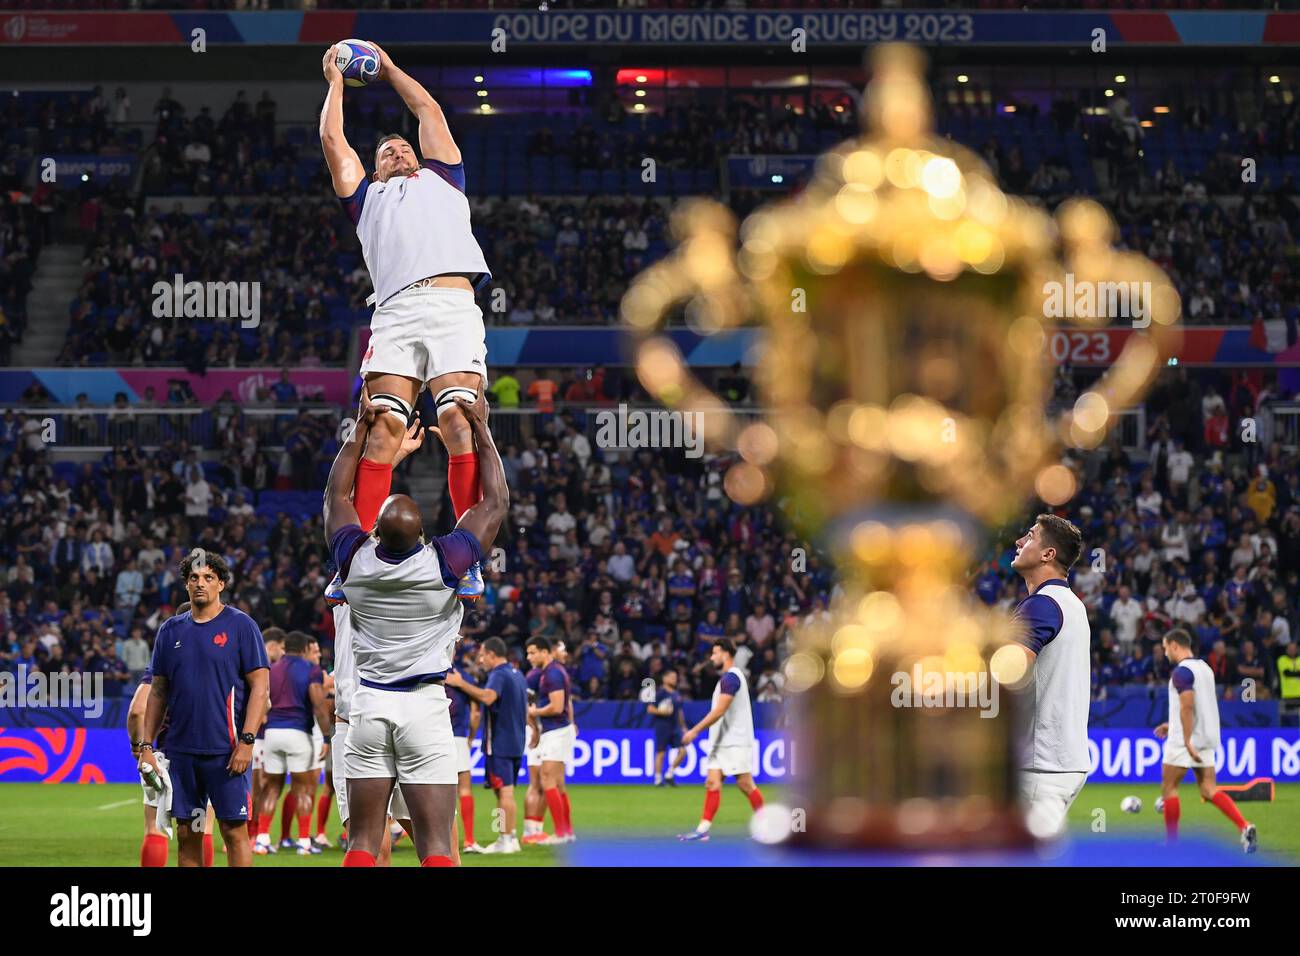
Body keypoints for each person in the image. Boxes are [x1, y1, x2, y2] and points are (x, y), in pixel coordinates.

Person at [320, 40, 492, 602]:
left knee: (461, 422)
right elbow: (331, 141)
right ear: (375, 167)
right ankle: (356, 563)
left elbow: (427, 112)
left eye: (400, 147)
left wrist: (387, 67)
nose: (395, 151)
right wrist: (336, 82)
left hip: (450, 305)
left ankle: (466, 559)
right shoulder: (366, 198)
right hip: (393, 312)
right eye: (385, 151)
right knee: (381, 430)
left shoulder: (444, 179)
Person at [324, 384, 506, 867]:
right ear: (425, 534)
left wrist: (361, 430)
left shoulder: (353, 564)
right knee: (439, 848)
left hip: (365, 706)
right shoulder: (444, 565)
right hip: (423, 707)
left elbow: (336, 496)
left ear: (373, 534)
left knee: (363, 844)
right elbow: (494, 504)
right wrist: (482, 432)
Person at [138, 552, 270, 867]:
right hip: (181, 754)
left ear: (220, 584)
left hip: (226, 753)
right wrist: (145, 745)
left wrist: (247, 742)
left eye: (208, 578)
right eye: (194, 578)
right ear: (185, 584)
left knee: (234, 832)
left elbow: (260, 687)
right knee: (188, 832)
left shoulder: (241, 625)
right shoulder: (170, 631)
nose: (201, 584)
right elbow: (157, 691)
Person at [1009, 513, 1091, 840]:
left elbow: (1005, 677)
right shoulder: (1072, 604)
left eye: (1029, 536)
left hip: (1038, 767)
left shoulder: (1040, 606)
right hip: (1062, 762)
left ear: (1048, 554)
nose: (1019, 542)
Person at [1155, 628, 1257, 853]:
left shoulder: (1181, 672)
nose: (1165, 653)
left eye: (1165, 648)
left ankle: (1171, 845)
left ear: (1174, 645)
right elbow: (1199, 706)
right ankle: (1245, 826)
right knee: (1209, 789)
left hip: (1185, 740)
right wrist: (1171, 724)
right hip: (1207, 737)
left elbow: (1188, 705)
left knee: (1169, 788)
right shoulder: (1205, 669)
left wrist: (1186, 738)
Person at [446, 636, 526, 854]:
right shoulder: (517, 673)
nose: (481, 660)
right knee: (506, 791)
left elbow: (489, 698)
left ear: (492, 654)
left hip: (499, 741)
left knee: (503, 792)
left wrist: (461, 683)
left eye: (483, 655)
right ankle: (511, 837)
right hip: (517, 740)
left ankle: (505, 839)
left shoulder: (498, 675)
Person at [678, 640, 763, 842]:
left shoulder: (731, 678)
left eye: (715, 653)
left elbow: (719, 711)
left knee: (745, 784)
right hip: (721, 742)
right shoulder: (727, 678)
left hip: (734, 741)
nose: (711, 657)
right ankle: (702, 830)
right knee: (712, 783)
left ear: (725, 654)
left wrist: (694, 731)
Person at [253, 631, 330, 856]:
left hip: (272, 734)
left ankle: (262, 839)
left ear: (285, 647)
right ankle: (305, 842)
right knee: (304, 788)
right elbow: (317, 704)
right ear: (305, 649)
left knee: (272, 787)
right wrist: (325, 737)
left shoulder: (271, 669)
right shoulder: (311, 670)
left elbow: (262, 698)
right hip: (298, 732)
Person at [526, 636, 576, 845]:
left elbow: (557, 706)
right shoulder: (549, 672)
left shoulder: (553, 674)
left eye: (533, 652)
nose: (529, 657)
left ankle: (561, 834)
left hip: (556, 731)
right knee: (558, 785)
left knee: (547, 779)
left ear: (545, 653)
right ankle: (567, 832)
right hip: (555, 730)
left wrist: (536, 711)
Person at [650, 668, 688, 787]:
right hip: (662, 725)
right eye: (672, 677)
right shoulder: (660, 693)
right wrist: (663, 712)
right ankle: (657, 779)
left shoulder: (677, 694)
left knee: (683, 751)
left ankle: (669, 774)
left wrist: (683, 727)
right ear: (664, 679)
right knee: (661, 752)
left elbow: (680, 711)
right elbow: (650, 708)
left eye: (675, 677)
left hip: (675, 726)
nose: (674, 679)